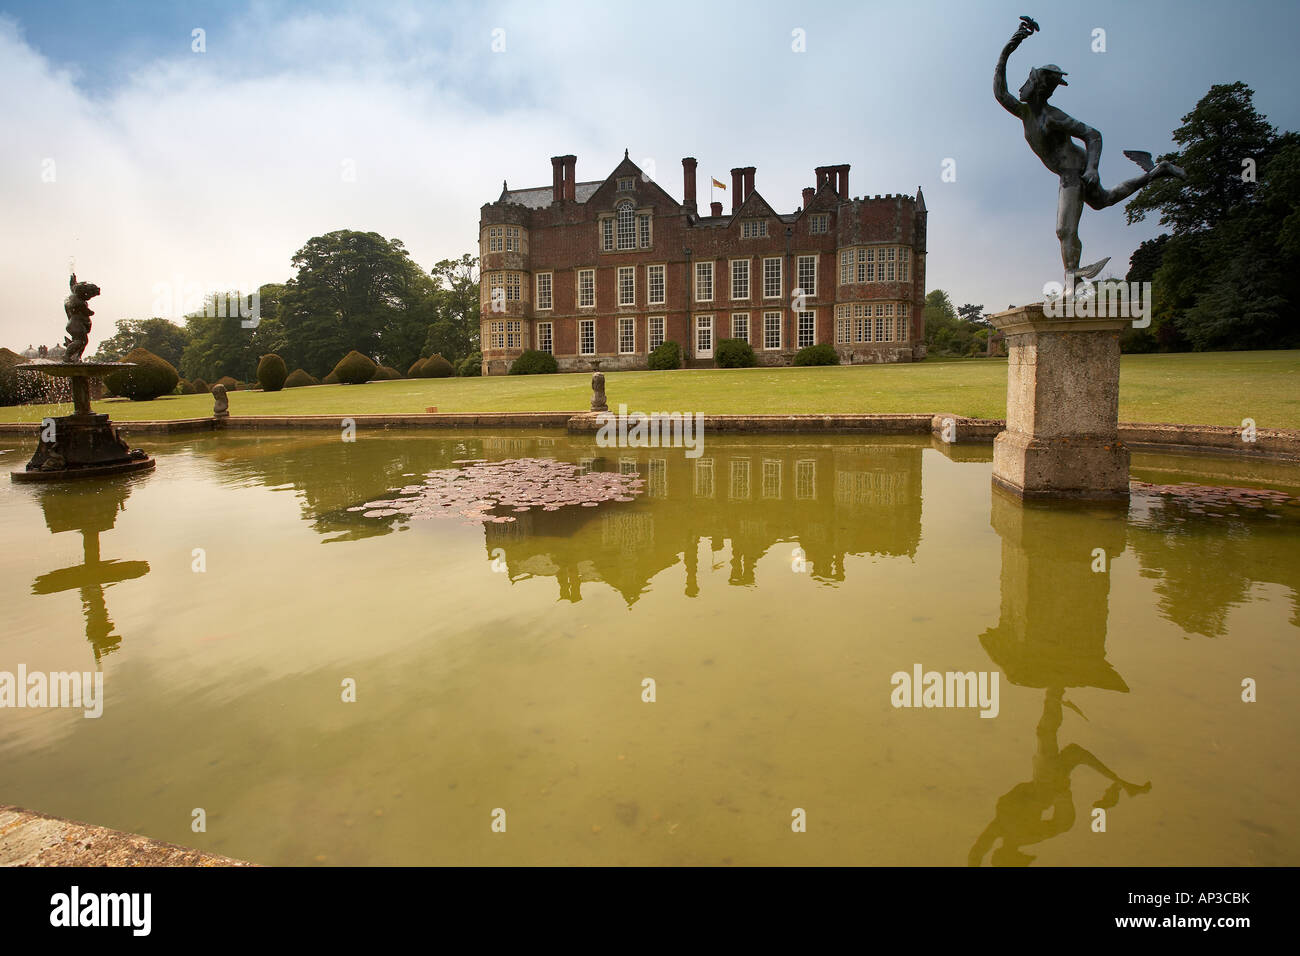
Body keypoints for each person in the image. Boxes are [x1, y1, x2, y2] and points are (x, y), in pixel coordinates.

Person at [994, 18, 1186, 289]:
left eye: (1027, 81)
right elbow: (1000, 92)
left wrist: (1092, 168)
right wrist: (1009, 48)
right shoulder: (1025, 113)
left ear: (1037, 87)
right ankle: (1159, 171)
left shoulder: (1052, 117)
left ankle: (1071, 280)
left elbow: (1093, 134)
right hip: (1072, 170)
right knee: (1104, 200)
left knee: (1064, 229)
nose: (1021, 86)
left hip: (1073, 170)